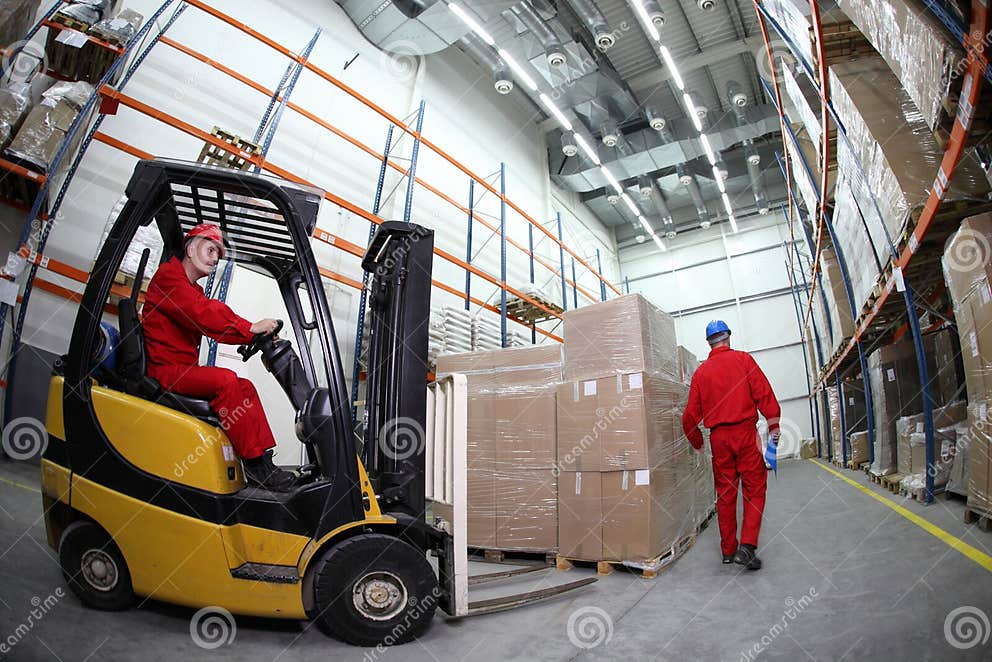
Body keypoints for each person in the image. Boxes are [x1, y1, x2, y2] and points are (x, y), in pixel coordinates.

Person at [142, 223, 296, 492]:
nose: (215, 258)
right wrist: (249, 328)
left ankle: (261, 460)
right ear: (190, 248)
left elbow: (210, 316)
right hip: (165, 370)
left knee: (244, 387)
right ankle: (255, 464)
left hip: (181, 368)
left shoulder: (191, 289)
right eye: (211, 249)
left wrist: (251, 335)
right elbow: (205, 314)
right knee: (225, 380)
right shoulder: (169, 278)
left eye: (218, 253)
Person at [681, 320, 781, 570]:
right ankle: (747, 547)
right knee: (755, 489)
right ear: (728, 338)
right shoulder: (743, 360)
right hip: (745, 434)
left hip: (719, 439)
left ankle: (728, 551)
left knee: (726, 495)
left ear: (709, 343)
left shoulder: (701, 373)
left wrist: (697, 442)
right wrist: (773, 423)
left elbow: (689, 416)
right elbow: (763, 392)